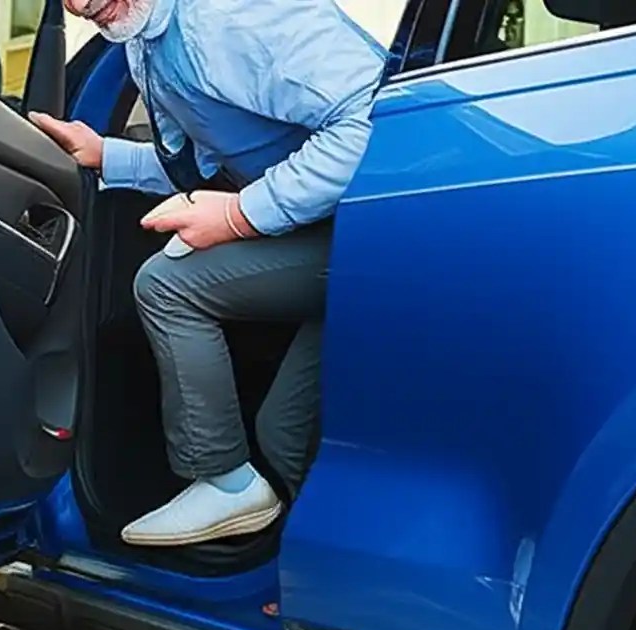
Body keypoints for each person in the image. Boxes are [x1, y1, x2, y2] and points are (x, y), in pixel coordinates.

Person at [30, 0, 384, 546]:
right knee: (285, 436)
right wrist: (106, 156)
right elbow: (200, 166)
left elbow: (373, 120)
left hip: (385, 231)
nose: (78, 5)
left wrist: (240, 215)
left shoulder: (227, 16)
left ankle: (222, 477)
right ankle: (304, 583)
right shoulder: (148, 37)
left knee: (168, 285)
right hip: (350, 232)